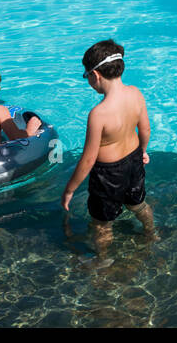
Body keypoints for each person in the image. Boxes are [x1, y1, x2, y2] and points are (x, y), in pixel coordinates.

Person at [61, 40, 156, 246]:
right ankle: (151, 233)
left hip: (108, 175)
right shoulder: (136, 93)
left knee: (102, 222)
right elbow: (146, 129)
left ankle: (104, 262)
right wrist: (143, 151)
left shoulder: (98, 114)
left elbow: (88, 160)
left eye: (86, 76)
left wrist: (69, 189)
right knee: (138, 204)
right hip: (134, 161)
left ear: (95, 75)